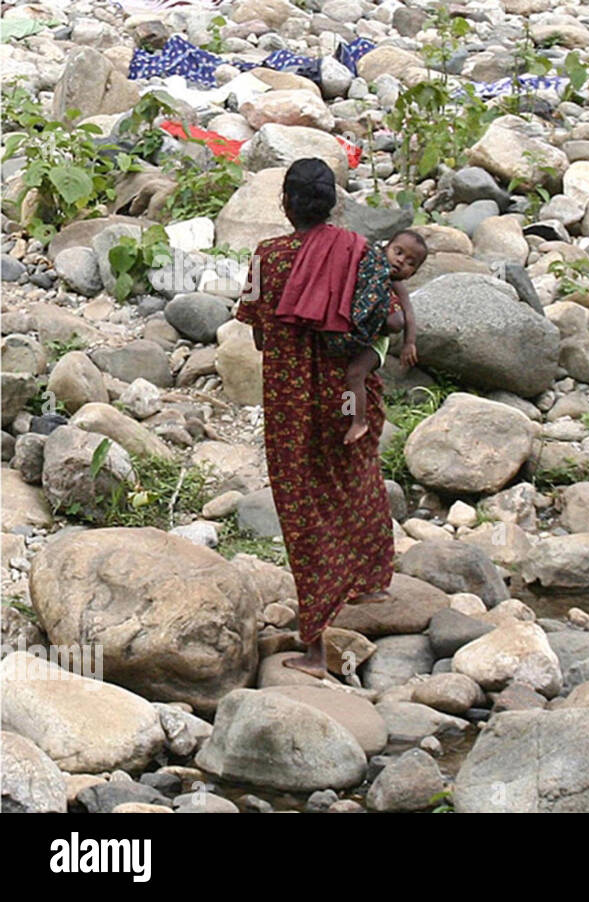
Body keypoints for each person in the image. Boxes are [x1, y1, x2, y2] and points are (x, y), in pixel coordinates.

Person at [234, 158, 394, 678]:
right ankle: (369, 582)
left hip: (292, 400)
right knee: (355, 477)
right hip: (350, 394)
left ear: (285, 203)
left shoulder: (267, 258)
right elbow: (385, 313)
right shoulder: (359, 251)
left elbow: (257, 331)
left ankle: (316, 648)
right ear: (333, 203)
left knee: (302, 507)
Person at [343, 230, 426, 445]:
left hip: (377, 344)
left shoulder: (396, 285)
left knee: (354, 374)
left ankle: (358, 421)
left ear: (413, 273)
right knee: (343, 375)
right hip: (358, 336)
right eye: (398, 252)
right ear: (385, 248)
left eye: (410, 262)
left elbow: (408, 314)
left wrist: (409, 343)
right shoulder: (369, 269)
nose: (400, 261)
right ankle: (348, 412)